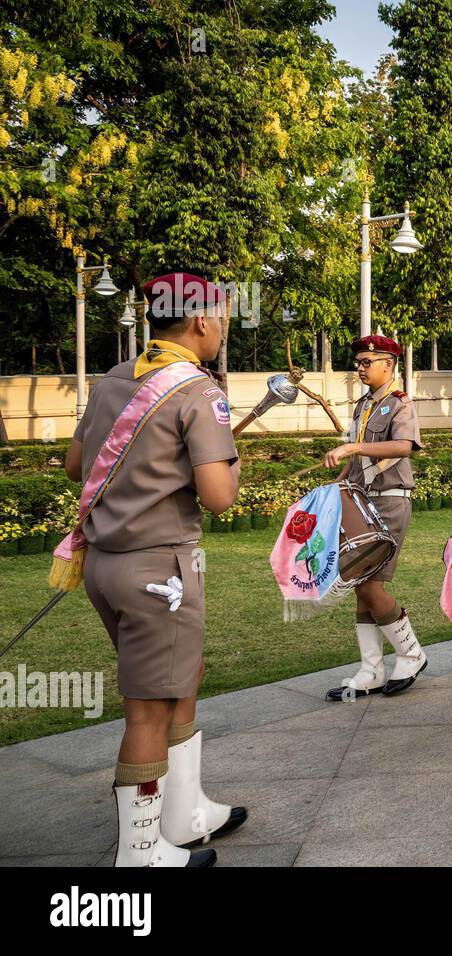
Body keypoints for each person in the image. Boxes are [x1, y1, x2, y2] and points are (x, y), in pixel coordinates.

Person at [65, 272, 245, 866]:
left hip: (103, 565)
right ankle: (141, 853)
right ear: (200, 321)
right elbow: (219, 497)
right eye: (220, 318)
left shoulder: (114, 378)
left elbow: (75, 465)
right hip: (159, 571)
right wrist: (226, 463)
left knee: (177, 682)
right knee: (146, 708)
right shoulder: (199, 390)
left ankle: (184, 812)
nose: (221, 330)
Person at [324, 334, 426, 701]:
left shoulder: (400, 403)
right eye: (360, 362)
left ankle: (411, 654)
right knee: (360, 588)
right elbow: (355, 462)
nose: (361, 368)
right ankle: (371, 669)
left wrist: (353, 446)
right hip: (362, 501)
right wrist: (334, 488)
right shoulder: (363, 406)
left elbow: (403, 447)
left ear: (390, 364)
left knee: (369, 586)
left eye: (369, 362)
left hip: (390, 501)